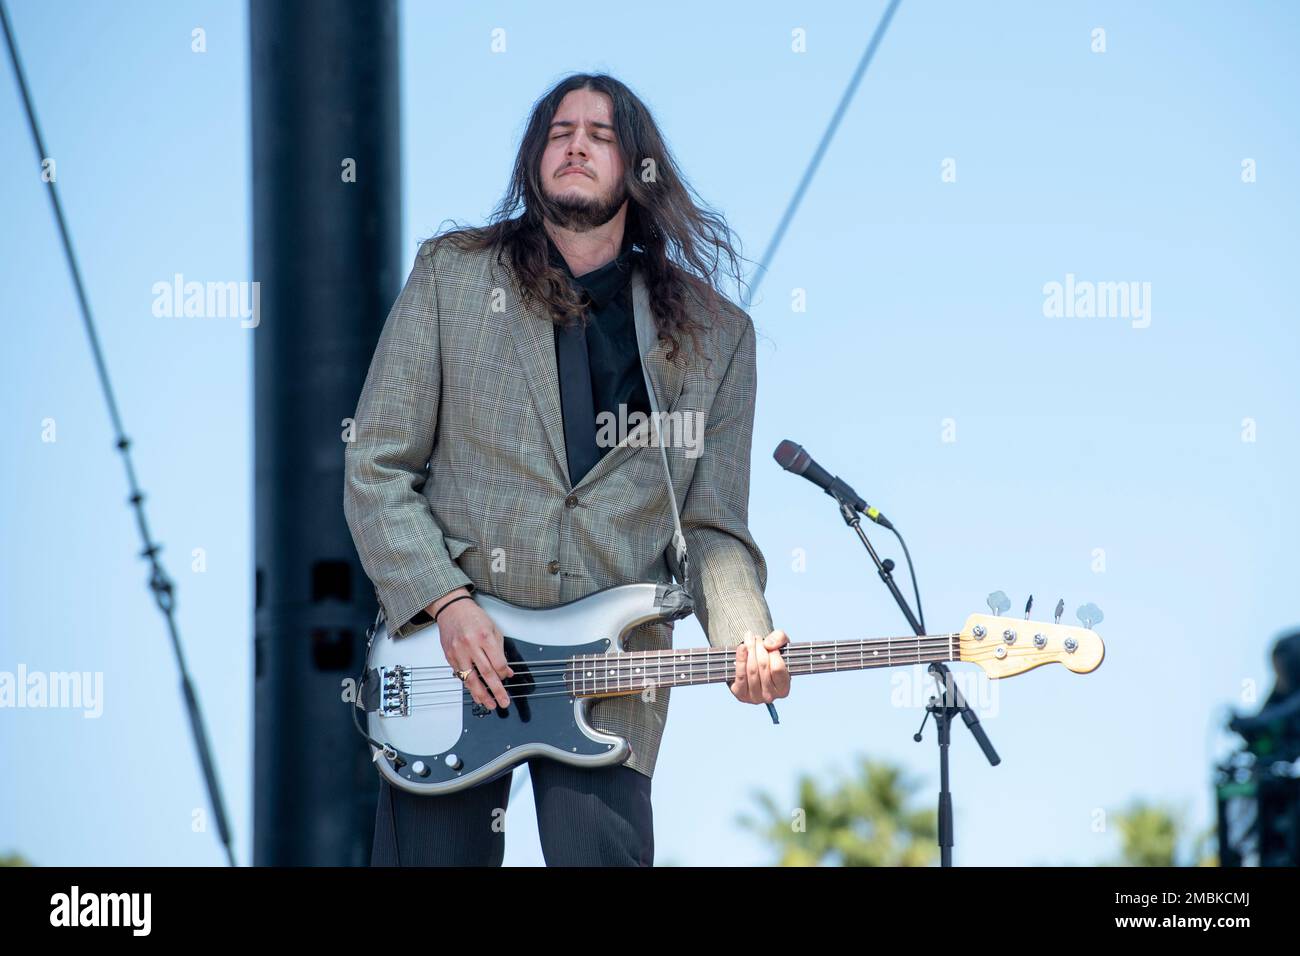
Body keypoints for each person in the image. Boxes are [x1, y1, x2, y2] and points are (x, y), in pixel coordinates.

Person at [343, 72, 790, 866]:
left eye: (602, 133)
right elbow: (377, 464)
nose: (577, 143)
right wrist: (445, 603)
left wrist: (746, 639)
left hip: (612, 675)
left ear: (639, 168)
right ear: (533, 158)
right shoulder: (453, 275)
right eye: (559, 131)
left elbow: (712, 525)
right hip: (450, 656)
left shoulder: (720, 338)